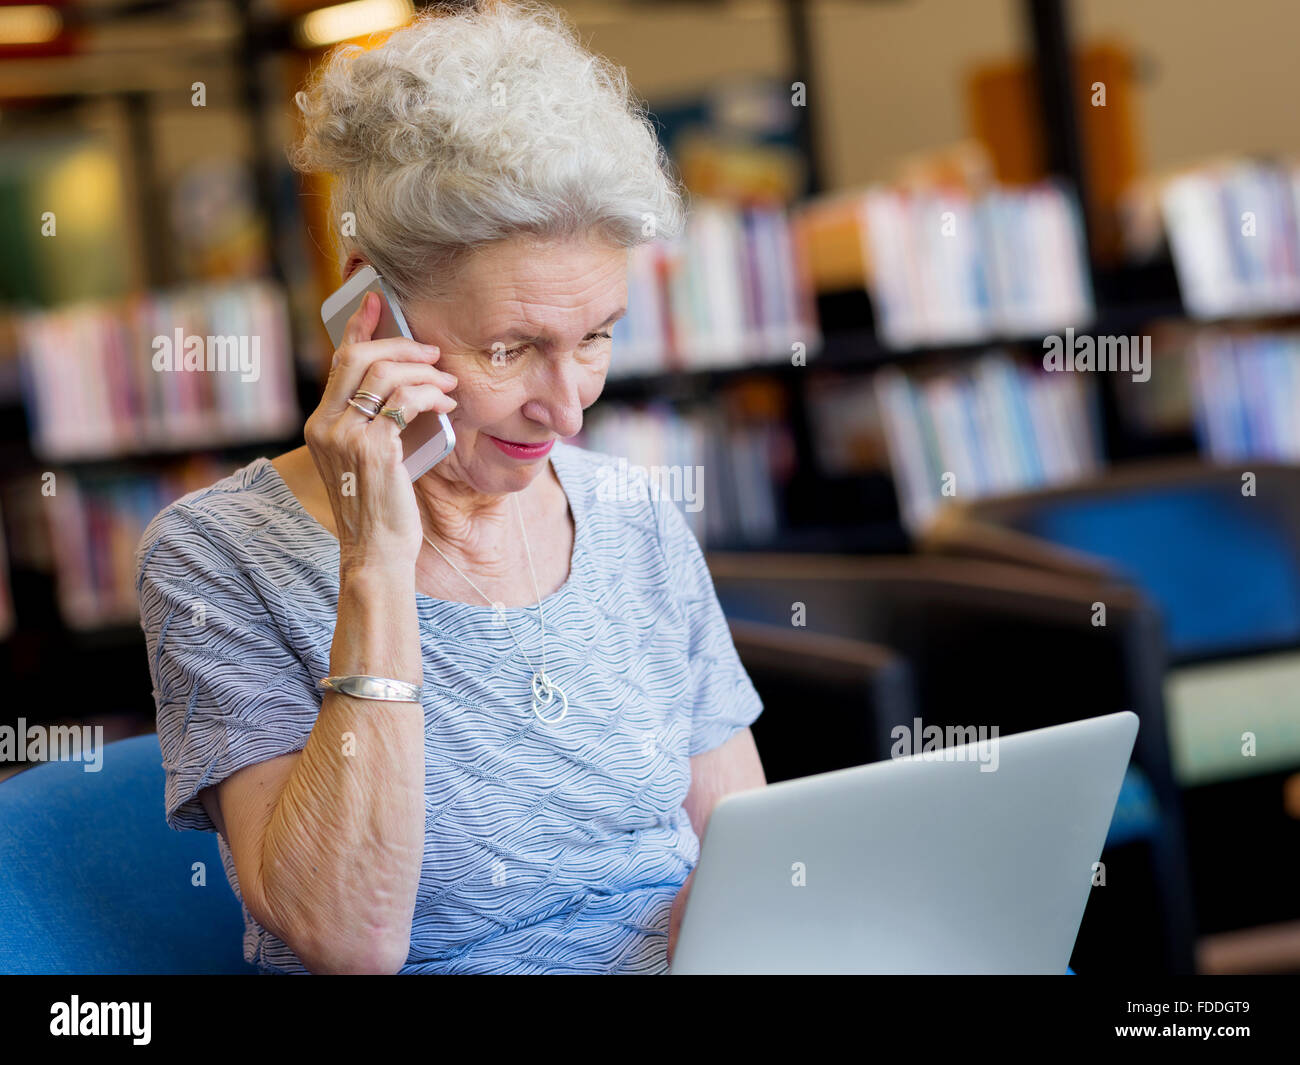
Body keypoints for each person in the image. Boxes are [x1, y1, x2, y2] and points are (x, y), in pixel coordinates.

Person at [135, 0, 766, 975]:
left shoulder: (629, 511)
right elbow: (348, 937)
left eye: (595, 337)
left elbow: (748, 859)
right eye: (511, 349)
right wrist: (375, 563)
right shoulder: (212, 556)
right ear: (371, 321)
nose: (568, 412)